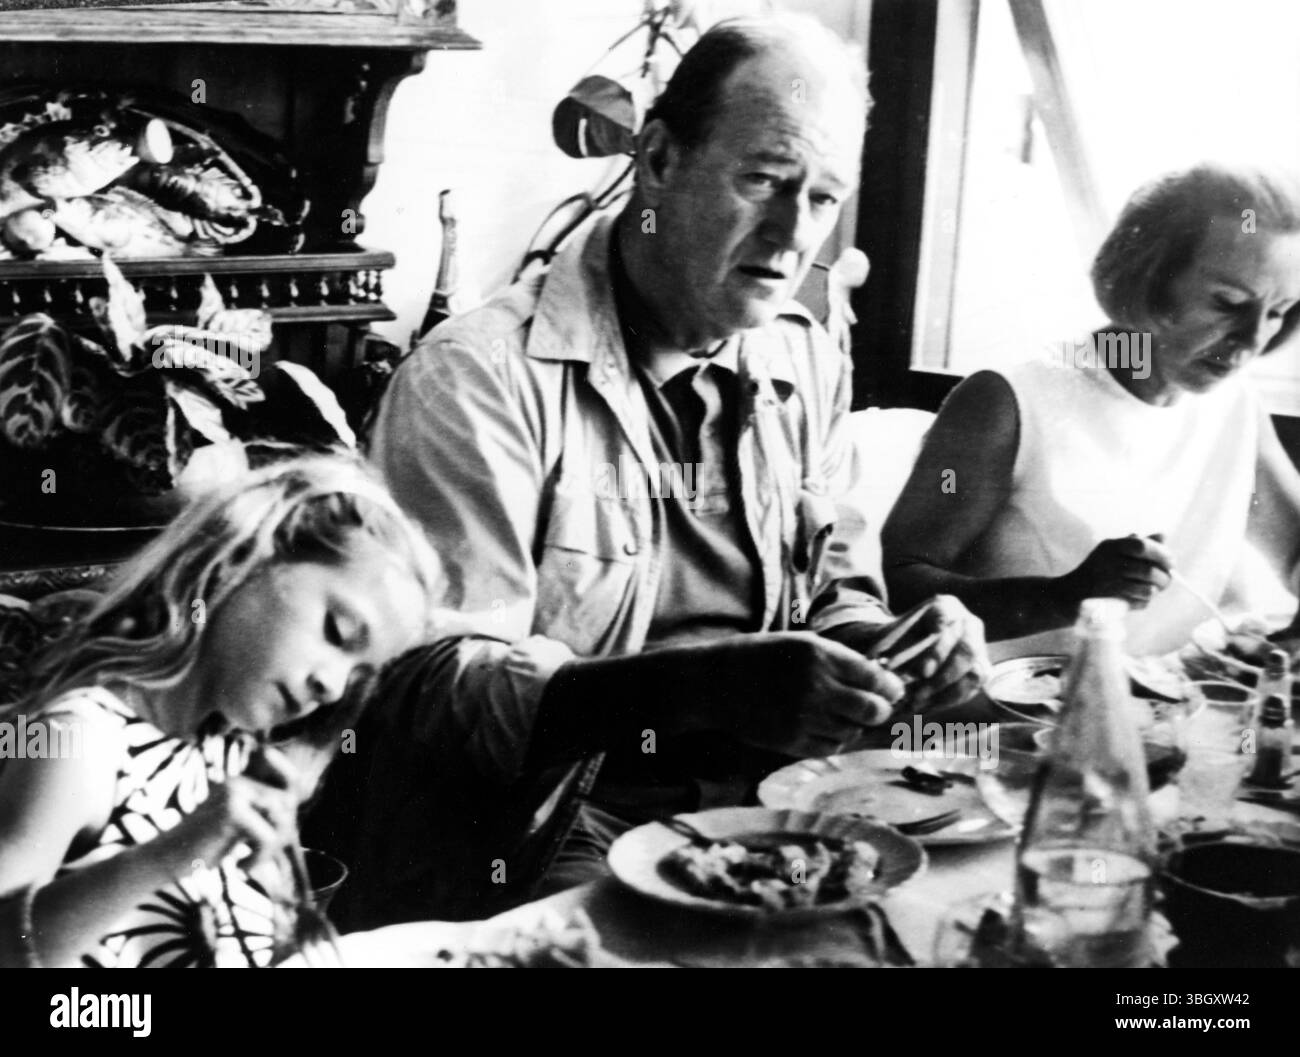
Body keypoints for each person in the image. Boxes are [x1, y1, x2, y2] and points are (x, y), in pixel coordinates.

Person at [336, 14, 990, 925]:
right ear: (655, 160)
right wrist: (697, 686)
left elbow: (839, 591)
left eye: (822, 198)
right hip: (545, 827)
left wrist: (891, 648)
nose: (793, 232)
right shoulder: (476, 377)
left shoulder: (804, 360)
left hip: (775, 805)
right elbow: (434, 691)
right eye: (762, 178)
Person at [0, 454, 439, 967]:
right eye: (338, 633)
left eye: (360, 675)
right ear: (242, 560)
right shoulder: (85, 742)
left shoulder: (224, 752)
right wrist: (169, 855)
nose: (332, 686)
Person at [882, 164, 1300, 658]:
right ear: (1150, 280)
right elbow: (897, 585)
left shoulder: (1234, 406)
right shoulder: (1008, 402)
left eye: (1278, 312)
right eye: (1228, 304)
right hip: (1015, 719)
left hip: (1167, 712)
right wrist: (1064, 597)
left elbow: (1295, 550)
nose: (1254, 340)